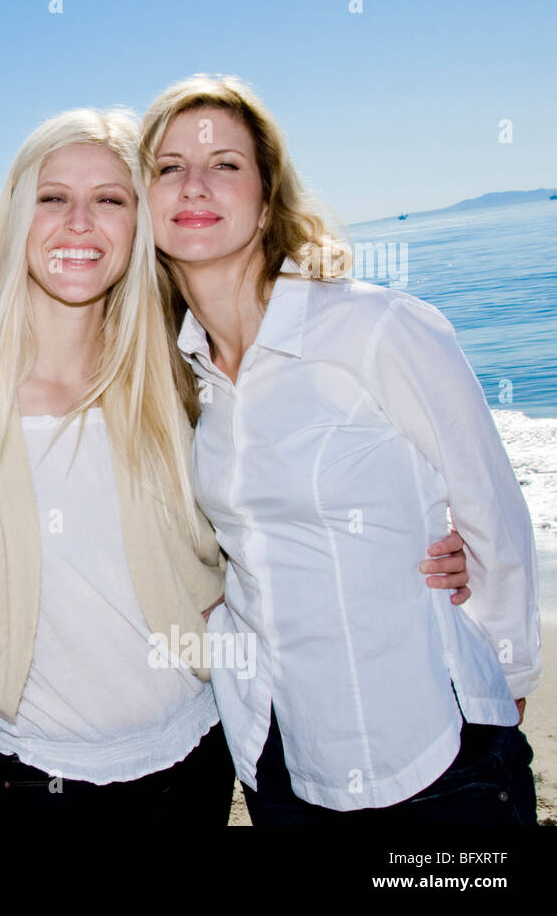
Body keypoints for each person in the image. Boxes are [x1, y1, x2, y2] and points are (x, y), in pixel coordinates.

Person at [0, 108, 472, 825]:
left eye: (110, 199)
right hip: (31, 768)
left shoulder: (182, 374)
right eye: (53, 198)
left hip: (201, 747)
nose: (80, 222)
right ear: (16, 213)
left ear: (140, 224)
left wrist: (436, 543)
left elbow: (293, 502)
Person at [139, 73, 541, 824]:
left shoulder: (377, 327)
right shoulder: (176, 372)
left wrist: (508, 666)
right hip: (283, 764)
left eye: (225, 163)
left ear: (266, 199)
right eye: (169, 167)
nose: (195, 183)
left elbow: (489, 502)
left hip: (438, 754)